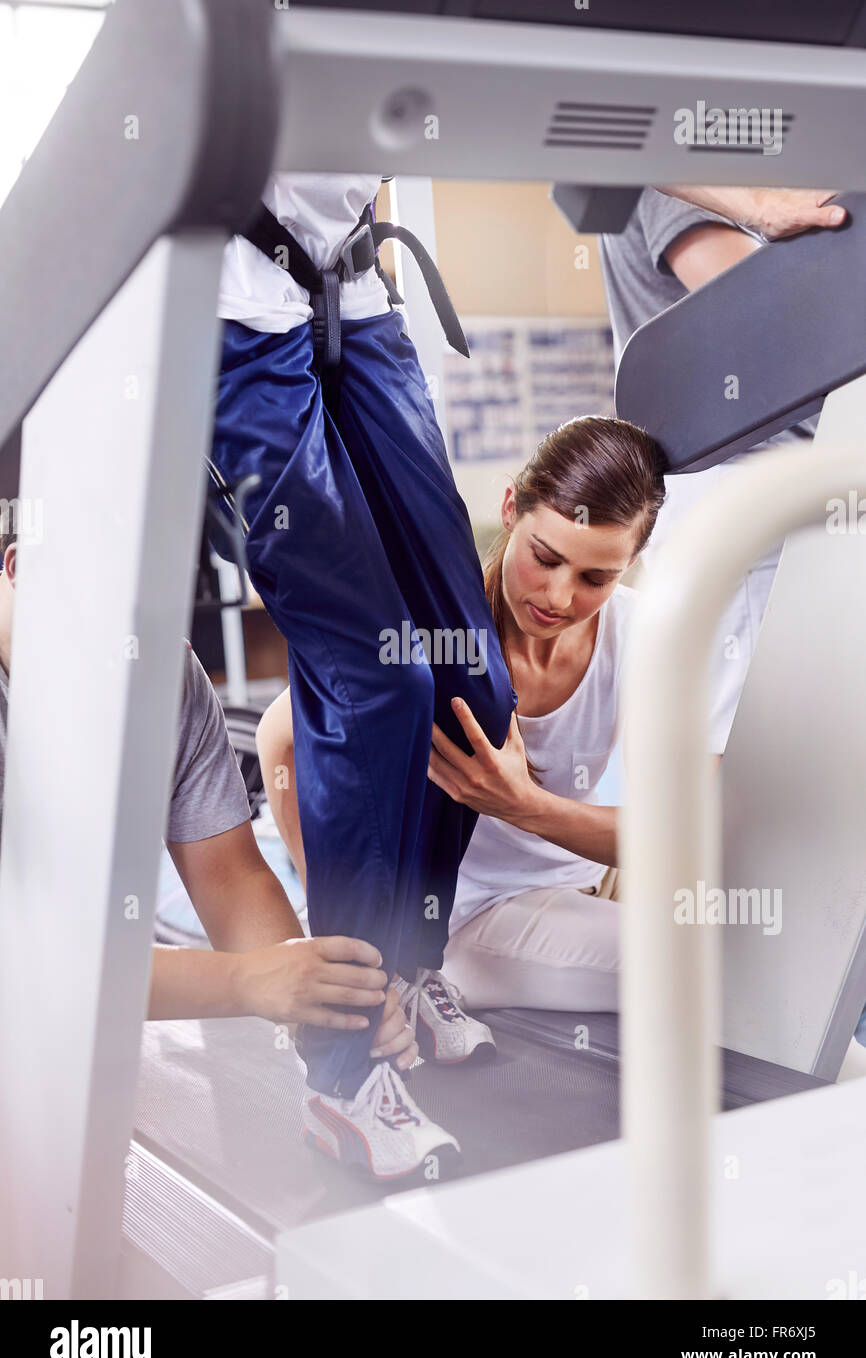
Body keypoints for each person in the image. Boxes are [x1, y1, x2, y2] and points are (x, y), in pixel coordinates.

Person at [210, 173, 515, 1178]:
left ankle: (411, 971)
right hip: (228, 316)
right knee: (376, 684)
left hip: (356, 296)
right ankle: (342, 1071)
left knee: (469, 681)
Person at [258, 417, 667, 1011]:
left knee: (769, 938)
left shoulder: (638, 635)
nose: (558, 597)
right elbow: (283, 738)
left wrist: (522, 806)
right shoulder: (431, 641)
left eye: (595, 577)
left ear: (632, 562)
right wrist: (342, 915)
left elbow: (677, 835)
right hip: (473, 913)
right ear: (510, 509)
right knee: (694, 964)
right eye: (545, 558)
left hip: (587, 877)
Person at [0, 518, 415, 1070]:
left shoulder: (164, 672)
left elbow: (229, 877)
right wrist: (247, 981)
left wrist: (320, 1002)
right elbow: (23, 957)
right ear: (20, 570)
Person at [599, 184, 847, 753]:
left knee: (798, 733)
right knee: (742, 741)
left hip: (784, 483)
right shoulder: (689, 168)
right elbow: (769, 318)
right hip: (735, 483)